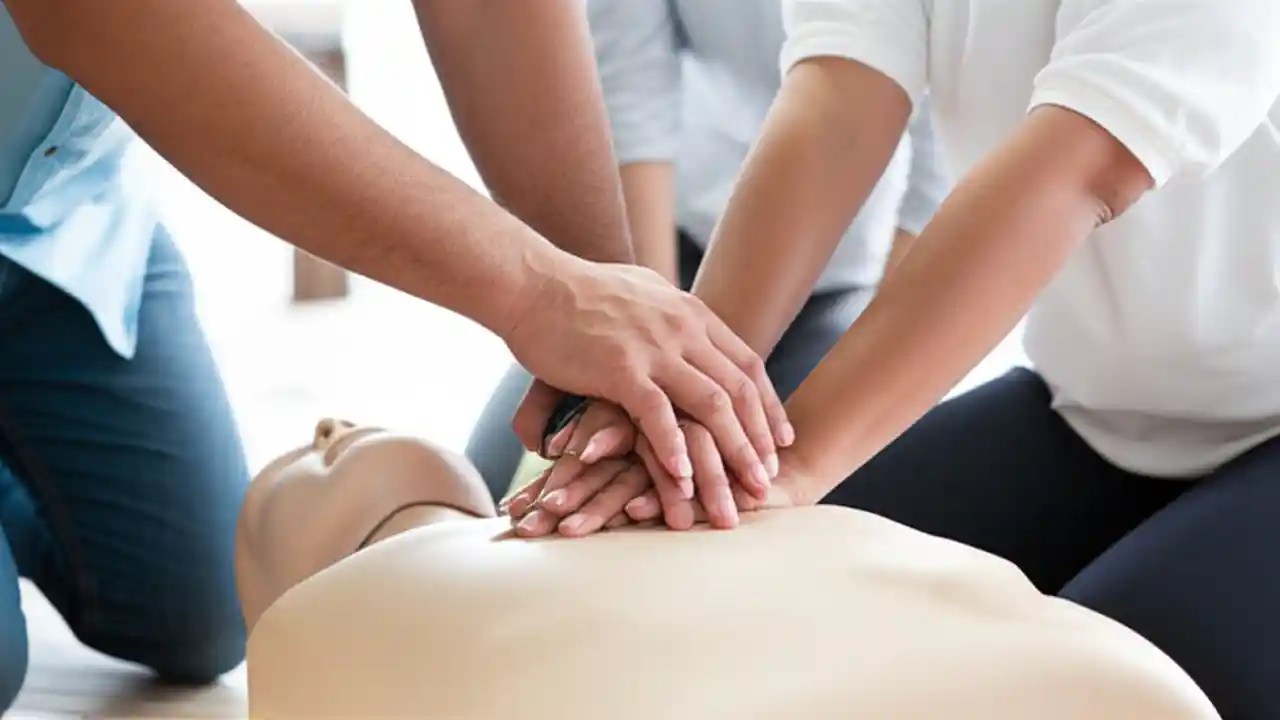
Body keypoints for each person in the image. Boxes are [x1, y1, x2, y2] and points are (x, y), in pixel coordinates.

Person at [0, 1, 791, 709]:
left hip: (64, 225)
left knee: (196, 618)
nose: (330, 428)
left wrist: (617, 348)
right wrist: (542, 293)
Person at [507, 1, 1280, 716]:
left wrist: (787, 466)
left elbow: (1079, 164)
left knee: (1090, 683)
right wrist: (689, 402)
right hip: (1092, 406)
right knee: (750, 592)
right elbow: (837, 103)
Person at [237, 419, 1216, 719]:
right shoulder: (315, 635)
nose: (333, 425)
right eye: (320, 457)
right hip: (1109, 682)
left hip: (1081, 677)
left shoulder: (327, 638)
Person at [465, 0, 951, 495]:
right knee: (494, 479)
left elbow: (939, 167)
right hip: (665, 236)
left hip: (842, 276)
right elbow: (633, 90)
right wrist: (644, 345)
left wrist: (874, 356)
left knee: (768, 488)